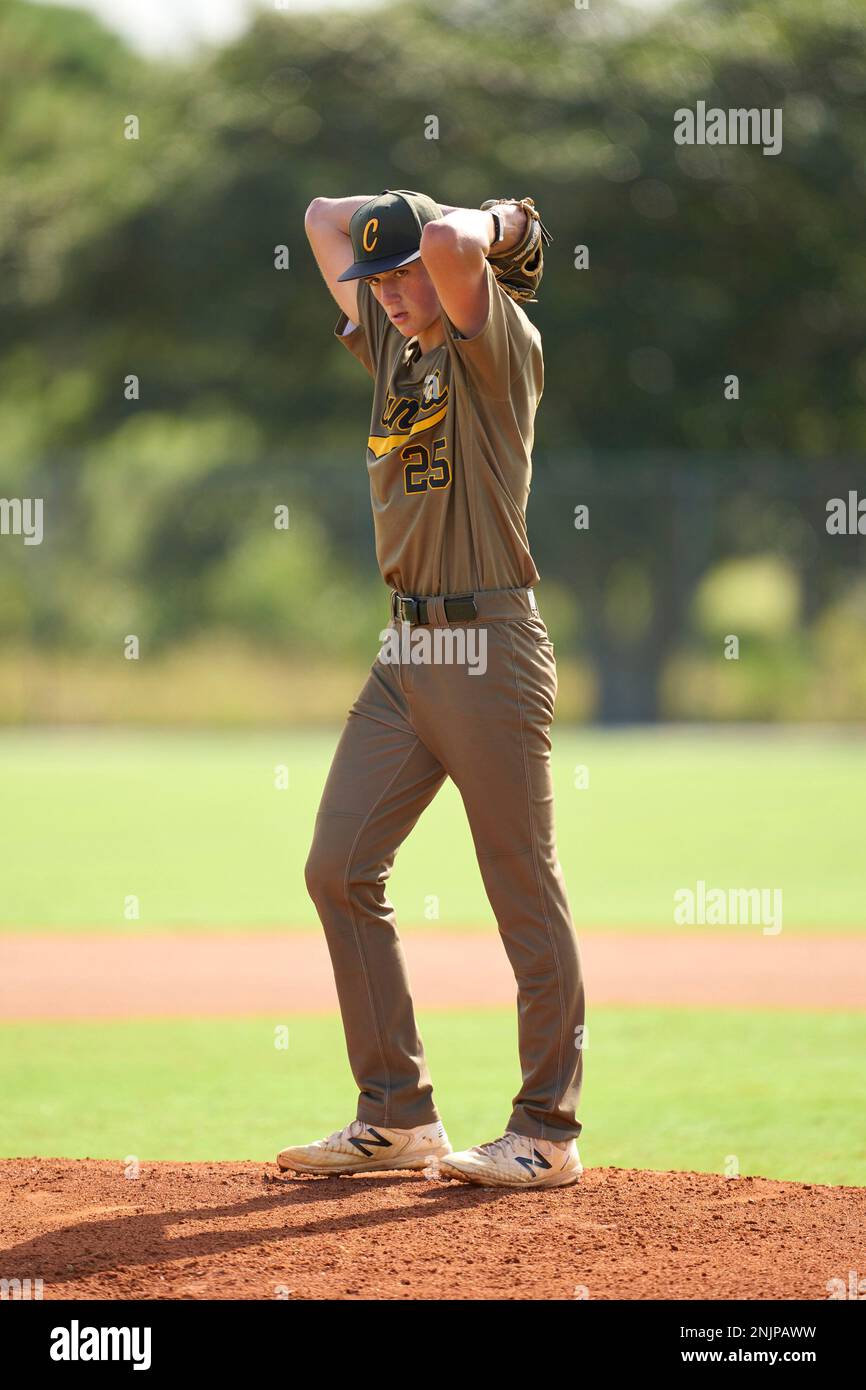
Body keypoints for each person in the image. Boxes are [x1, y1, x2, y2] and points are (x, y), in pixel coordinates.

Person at [277, 189, 585, 1188]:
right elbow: (322, 215)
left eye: (402, 273)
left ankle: (546, 1129)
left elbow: (454, 241)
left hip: (489, 643)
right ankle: (396, 1114)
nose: (386, 293)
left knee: (521, 888)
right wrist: (391, 226)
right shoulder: (392, 347)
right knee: (338, 867)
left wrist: (503, 223)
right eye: (376, 279)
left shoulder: (495, 347)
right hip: (404, 652)